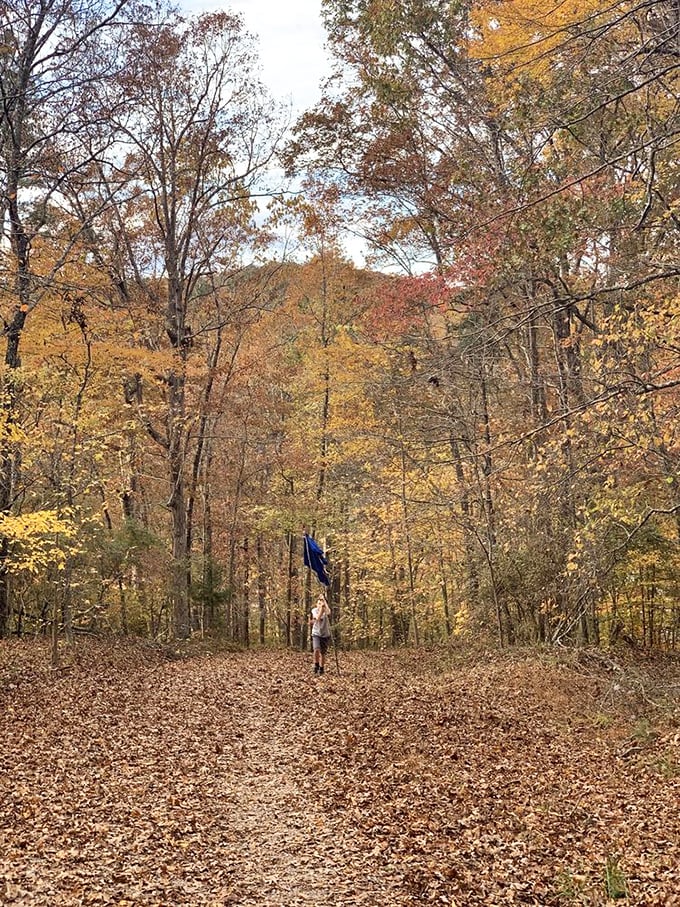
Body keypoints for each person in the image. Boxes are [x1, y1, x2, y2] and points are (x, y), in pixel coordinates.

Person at [310, 592, 332, 675]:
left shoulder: (326, 611)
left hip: (325, 634)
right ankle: (316, 665)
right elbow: (318, 618)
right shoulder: (314, 611)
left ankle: (322, 668)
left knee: (323, 653)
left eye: (321, 603)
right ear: (316, 604)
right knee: (316, 649)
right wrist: (321, 610)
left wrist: (324, 602)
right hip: (316, 633)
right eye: (318, 603)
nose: (320, 605)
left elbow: (329, 612)